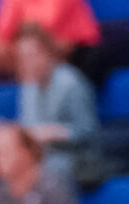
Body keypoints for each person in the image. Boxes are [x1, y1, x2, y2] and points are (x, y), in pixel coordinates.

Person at [0, 0, 102, 147]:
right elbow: (1, 33)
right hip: (34, 46)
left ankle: (31, 123)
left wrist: (24, 42)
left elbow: (43, 29)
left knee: (29, 49)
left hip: (74, 51)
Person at [10, 26, 102, 182]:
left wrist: (57, 132)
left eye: (29, 56)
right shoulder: (28, 87)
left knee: (48, 169)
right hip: (40, 156)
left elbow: (88, 131)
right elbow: (28, 126)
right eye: (21, 57)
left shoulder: (71, 82)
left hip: (76, 157)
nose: (25, 62)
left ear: (46, 53)